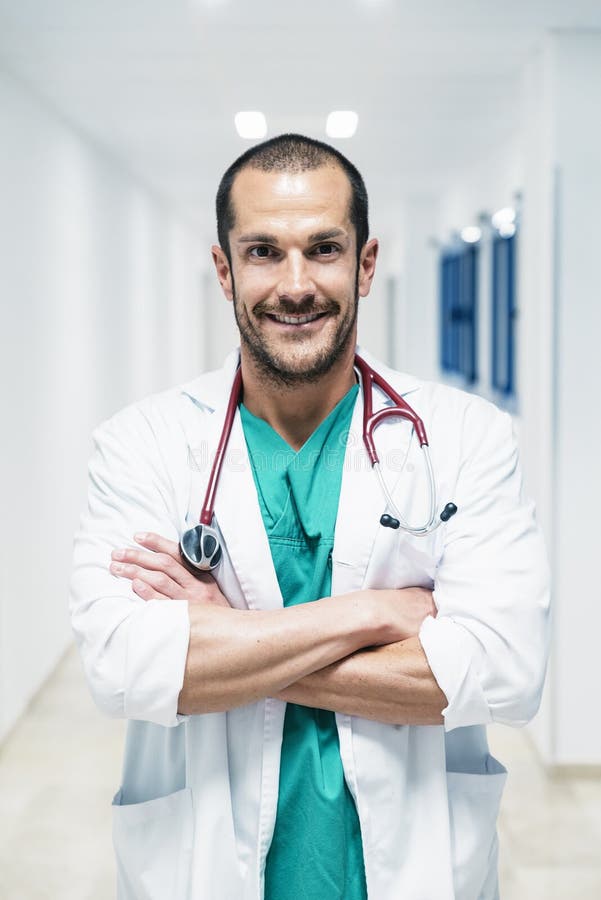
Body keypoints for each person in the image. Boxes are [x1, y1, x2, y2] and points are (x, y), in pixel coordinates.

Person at [69, 133, 550, 900]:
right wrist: (374, 613)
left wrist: (225, 640)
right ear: (224, 270)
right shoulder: (145, 443)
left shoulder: (464, 437)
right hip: (204, 869)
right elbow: (123, 668)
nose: (295, 285)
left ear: (364, 264)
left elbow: (505, 672)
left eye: (323, 249)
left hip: (410, 868)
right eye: (262, 251)